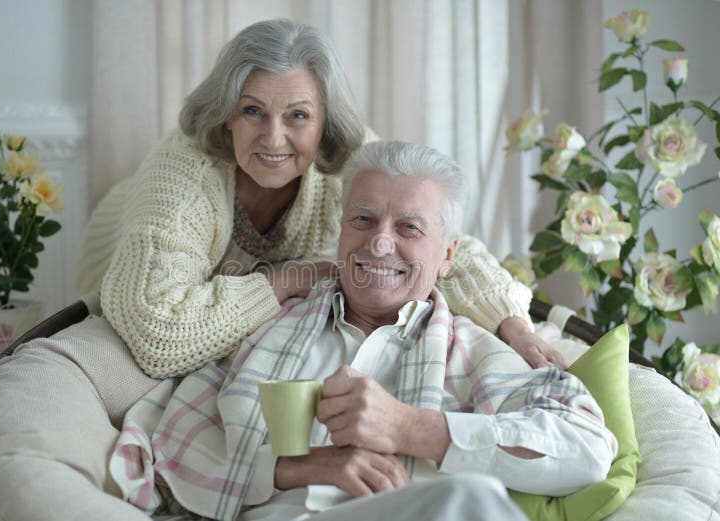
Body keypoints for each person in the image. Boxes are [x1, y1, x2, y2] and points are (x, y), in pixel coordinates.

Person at [109, 141, 616, 521]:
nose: (378, 244)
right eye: (364, 219)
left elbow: (587, 446)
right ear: (341, 231)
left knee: (471, 500)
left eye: (408, 228)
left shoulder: (475, 352)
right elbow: (173, 443)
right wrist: (302, 467)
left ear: (447, 256)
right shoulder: (267, 327)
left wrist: (408, 428)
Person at [76, 18, 567, 381]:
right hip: (118, 288)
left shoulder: (349, 158)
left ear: (326, 119)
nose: (273, 139)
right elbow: (159, 336)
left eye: (297, 116)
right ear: (226, 113)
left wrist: (513, 326)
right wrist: (294, 278)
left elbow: (437, 243)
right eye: (253, 111)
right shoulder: (184, 172)